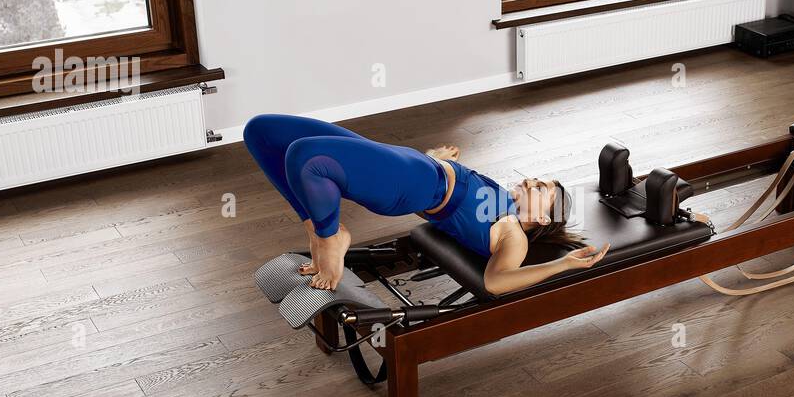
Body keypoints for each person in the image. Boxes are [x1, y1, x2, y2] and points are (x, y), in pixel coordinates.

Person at [242, 115, 608, 294]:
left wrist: (560, 266)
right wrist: (435, 157)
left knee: (307, 158)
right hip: (410, 164)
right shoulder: (499, 199)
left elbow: (496, 282)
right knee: (262, 131)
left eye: (542, 186)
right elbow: (454, 195)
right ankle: (316, 228)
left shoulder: (514, 235)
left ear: (543, 214)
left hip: (406, 182)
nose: (533, 179)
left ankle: (329, 236)